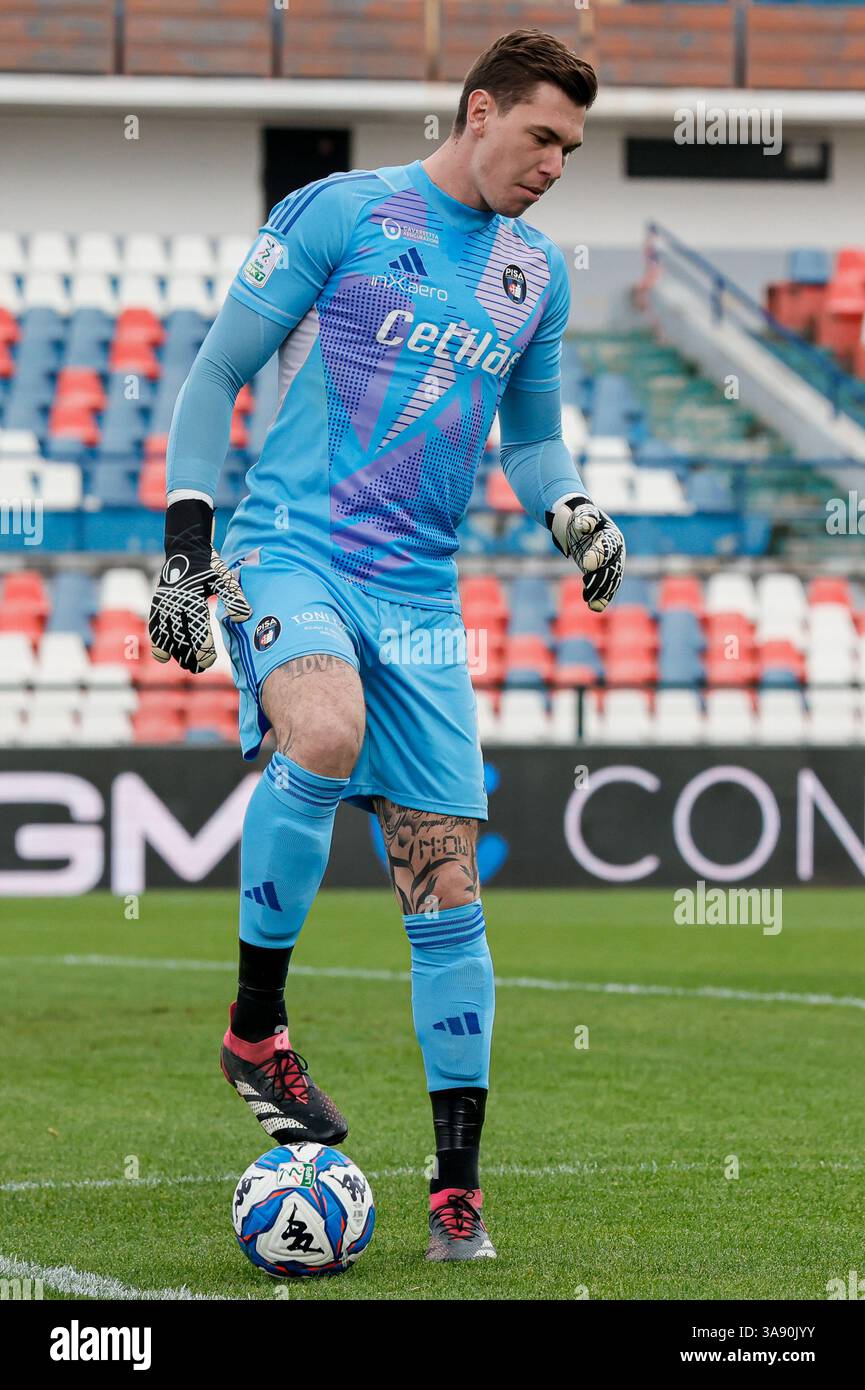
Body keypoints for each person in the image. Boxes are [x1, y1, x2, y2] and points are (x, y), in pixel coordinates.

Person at [148, 27, 625, 1262]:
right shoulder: (337, 214)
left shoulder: (534, 275)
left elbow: (531, 441)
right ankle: (258, 1026)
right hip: (293, 552)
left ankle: (454, 1194)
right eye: (540, 137)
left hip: (419, 594)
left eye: (571, 148)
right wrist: (185, 546)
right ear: (478, 111)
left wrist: (571, 510)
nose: (554, 165)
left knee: (445, 886)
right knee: (321, 727)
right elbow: (215, 373)